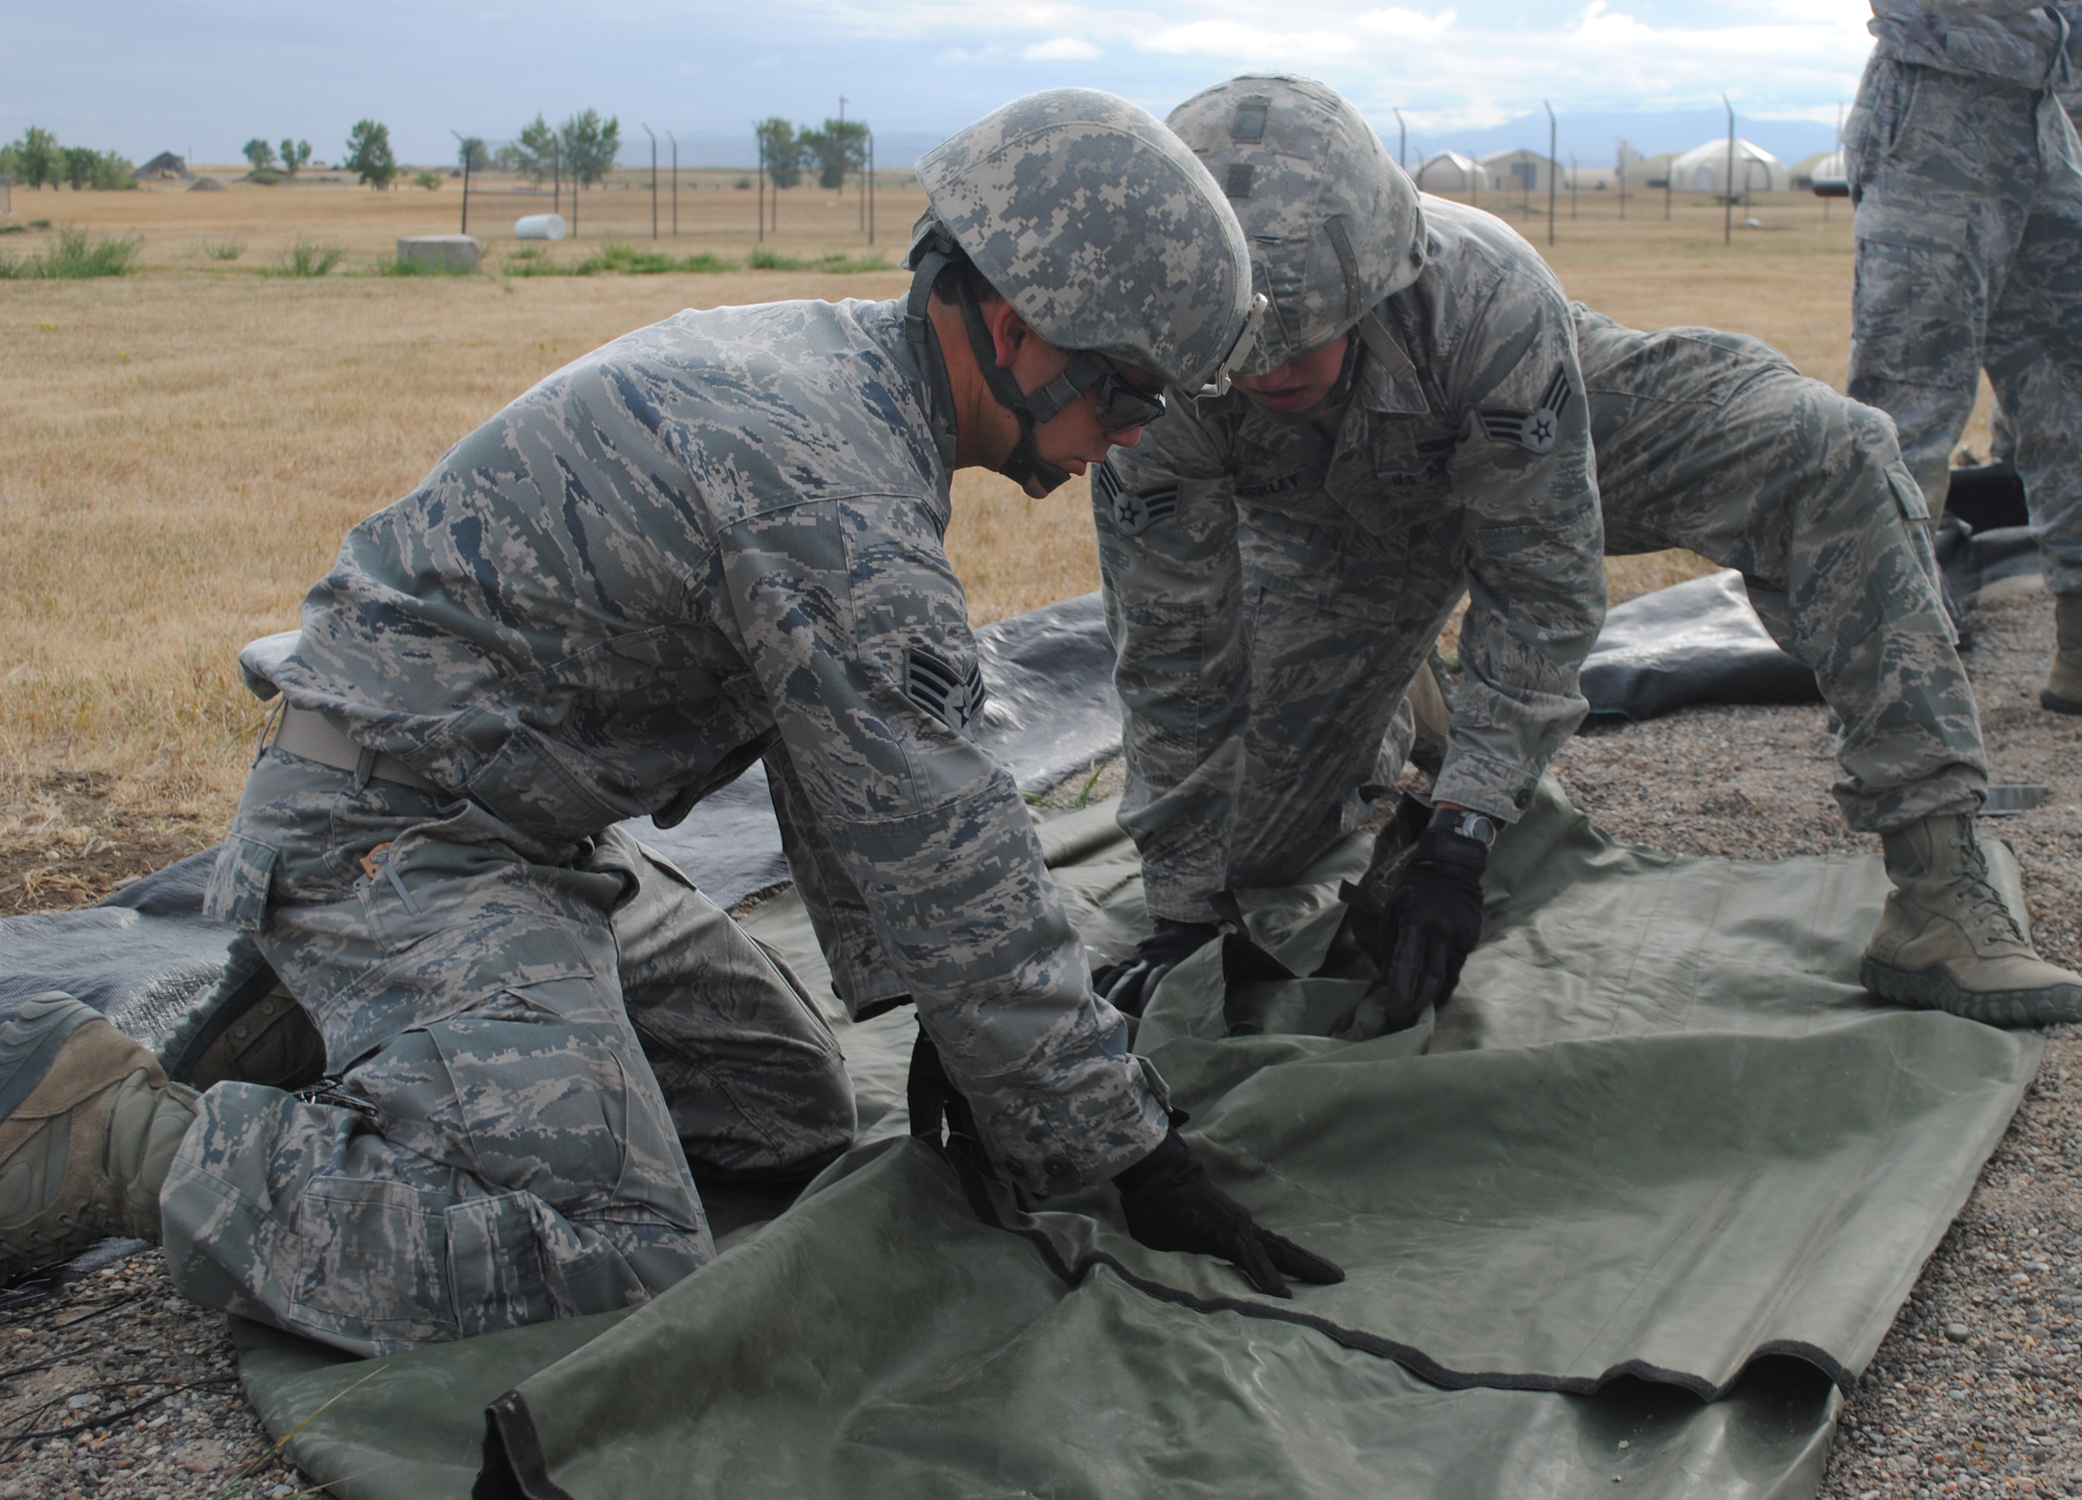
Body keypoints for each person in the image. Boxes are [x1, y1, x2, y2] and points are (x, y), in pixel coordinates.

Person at [0, 90, 1342, 1347]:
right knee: (617, 1252)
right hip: (396, 830)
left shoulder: (854, 389)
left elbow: (853, 774)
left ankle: (349, 1021)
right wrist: (1121, 1149)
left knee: (782, 1111)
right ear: (1014, 329)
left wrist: (952, 1024)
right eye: (1130, 391)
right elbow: (958, 861)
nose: (1131, 435)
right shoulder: (833, 497)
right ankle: (123, 1133)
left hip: (524, 821)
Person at [1092, 73, 2082, 1036]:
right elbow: (1174, 656)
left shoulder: (1480, 294)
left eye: (1301, 334)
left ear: (1374, 275)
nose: (1266, 366)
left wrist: (1464, 828)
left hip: (1535, 424)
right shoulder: (1153, 375)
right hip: (1336, 538)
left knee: (1828, 449)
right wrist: (1185, 907)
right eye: (1240, 341)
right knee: (1248, 853)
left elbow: (1541, 583)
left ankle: (1939, 891)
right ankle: (1405, 699)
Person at [1844, 1, 2082, 714]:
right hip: (1936, 100)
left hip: (2046, 108)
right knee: (1911, 398)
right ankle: (1893, 676)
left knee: (2081, 378)